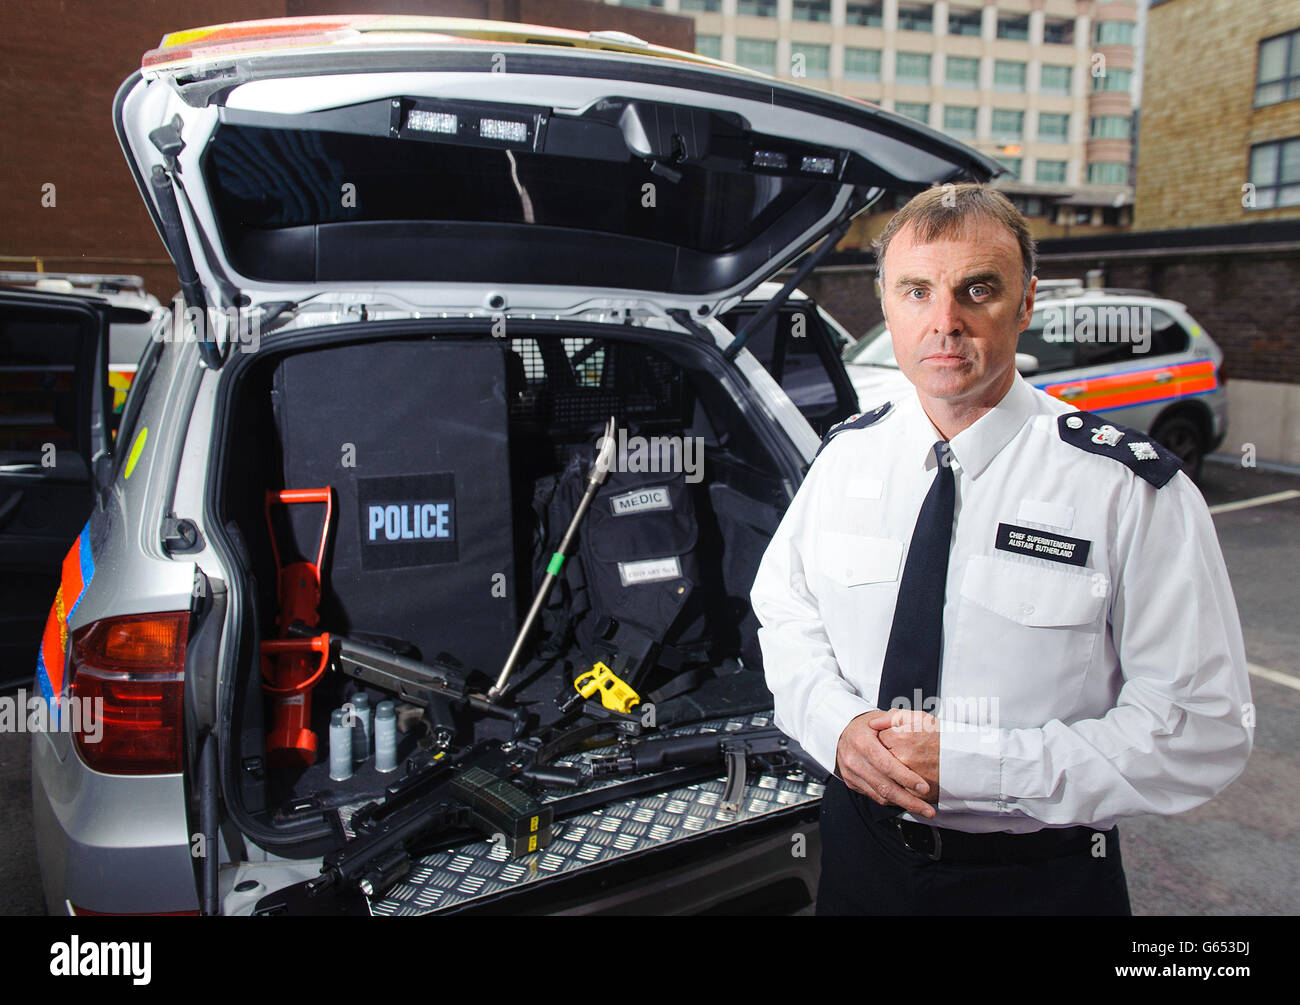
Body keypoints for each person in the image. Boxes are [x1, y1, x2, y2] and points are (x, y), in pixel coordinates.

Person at [749, 183, 1253, 915]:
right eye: (916, 291)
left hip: (1037, 878)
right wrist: (838, 725)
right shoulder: (845, 460)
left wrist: (978, 767)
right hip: (860, 855)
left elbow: (1202, 728)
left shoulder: (1127, 490)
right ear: (885, 303)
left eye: (977, 290)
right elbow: (787, 619)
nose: (943, 322)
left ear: (1025, 304)